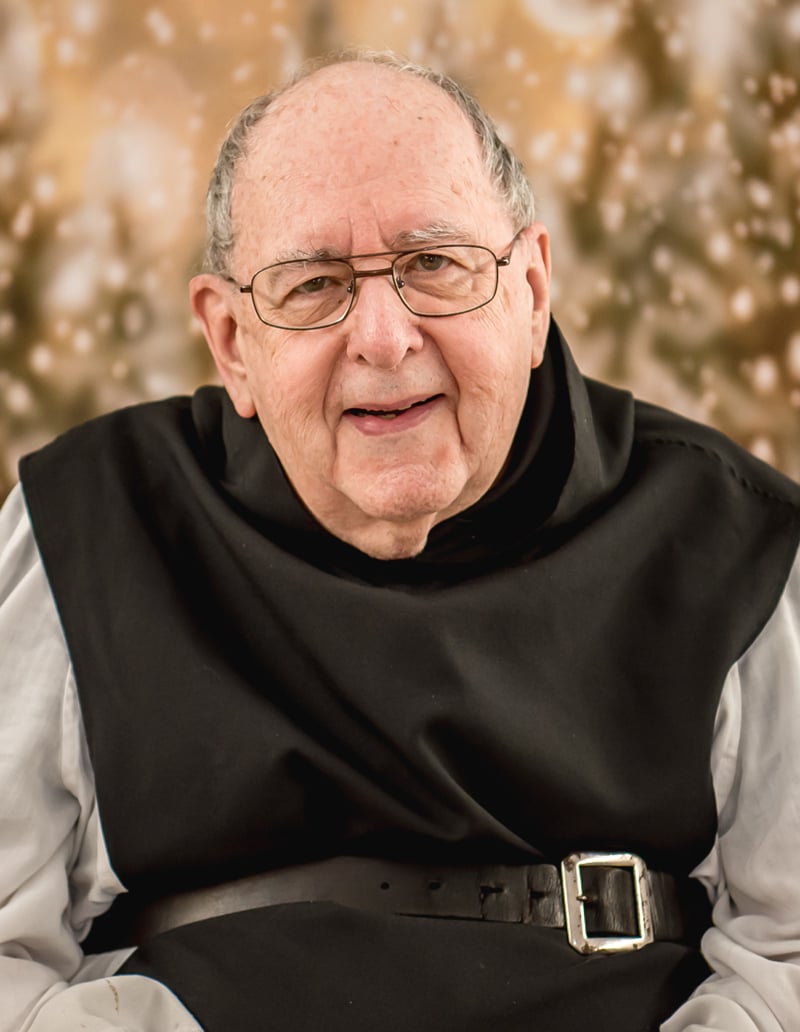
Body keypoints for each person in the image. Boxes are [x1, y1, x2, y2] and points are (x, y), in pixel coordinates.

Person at [1, 48, 799, 1032]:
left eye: (433, 265)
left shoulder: (724, 537)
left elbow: (789, 946)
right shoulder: (92, 529)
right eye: (311, 285)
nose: (381, 336)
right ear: (230, 339)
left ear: (533, 287)